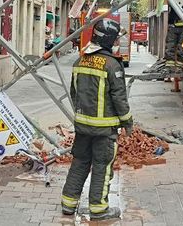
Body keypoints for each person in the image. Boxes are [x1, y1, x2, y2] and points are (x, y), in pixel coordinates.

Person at [60, 18, 132, 220]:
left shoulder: (79, 61)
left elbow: (74, 95)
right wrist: (128, 123)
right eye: (116, 39)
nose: (118, 43)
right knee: (102, 166)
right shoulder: (112, 65)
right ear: (109, 40)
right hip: (105, 130)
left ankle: (68, 204)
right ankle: (99, 209)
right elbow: (119, 98)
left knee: (80, 162)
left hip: (82, 127)